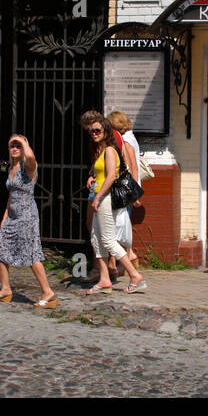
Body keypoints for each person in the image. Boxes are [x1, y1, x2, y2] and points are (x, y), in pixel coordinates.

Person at [79, 110, 146, 293]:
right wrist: (92, 178)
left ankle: (134, 275)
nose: (94, 133)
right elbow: (100, 174)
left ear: (106, 131)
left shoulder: (109, 150)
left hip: (105, 198)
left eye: (97, 130)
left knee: (108, 240)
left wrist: (98, 196)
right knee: (95, 238)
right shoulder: (101, 149)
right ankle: (104, 279)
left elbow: (110, 177)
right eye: (91, 131)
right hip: (99, 196)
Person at [0, 134, 57, 308]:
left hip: (27, 216)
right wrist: (5, 217)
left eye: (18, 146)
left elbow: (32, 157)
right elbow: (12, 196)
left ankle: (48, 293)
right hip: (12, 216)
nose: (15, 148)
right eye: (12, 145)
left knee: (31, 254)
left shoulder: (28, 167)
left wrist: (24, 142)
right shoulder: (12, 167)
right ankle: (5, 289)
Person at [107, 110, 142, 265]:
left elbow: (131, 167)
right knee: (121, 227)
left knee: (118, 228)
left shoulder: (125, 140)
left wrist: (133, 194)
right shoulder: (131, 137)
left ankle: (121, 261)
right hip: (130, 188)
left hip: (124, 190)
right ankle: (126, 259)